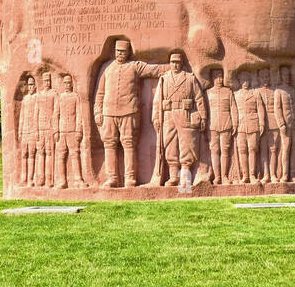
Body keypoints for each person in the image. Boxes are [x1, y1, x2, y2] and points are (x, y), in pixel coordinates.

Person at [93, 38, 168, 188]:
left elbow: (153, 70)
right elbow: (100, 93)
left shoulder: (134, 66)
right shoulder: (107, 69)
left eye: (123, 51)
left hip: (129, 111)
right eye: (118, 51)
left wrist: (171, 67)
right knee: (109, 145)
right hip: (109, 113)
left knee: (129, 145)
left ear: (128, 53)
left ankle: (130, 178)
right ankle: (112, 178)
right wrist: (97, 111)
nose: (120, 54)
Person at [152, 51, 206, 188]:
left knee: (186, 146)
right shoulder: (164, 79)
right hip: (168, 115)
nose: (175, 65)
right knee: (170, 145)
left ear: (182, 63)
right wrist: (156, 118)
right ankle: (173, 177)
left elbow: (199, 98)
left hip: (185, 114)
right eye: (172, 62)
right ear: (169, 63)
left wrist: (203, 116)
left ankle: (185, 179)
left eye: (177, 62)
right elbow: (157, 101)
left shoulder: (189, 78)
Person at [205, 69, 238, 186]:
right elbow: (206, 111)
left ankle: (224, 176)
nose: (219, 80)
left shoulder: (228, 92)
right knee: (214, 151)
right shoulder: (208, 93)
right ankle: (217, 176)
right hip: (212, 125)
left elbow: (233, 108)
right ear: (212, 78)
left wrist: (235, 123)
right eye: (216, 77)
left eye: (221, 77)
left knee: (225, 151)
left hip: (226, 124)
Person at [54, 73, 86, 189]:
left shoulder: (75, 97)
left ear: (72, 84)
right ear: (63, 84)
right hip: (62, 131)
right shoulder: (60, 97)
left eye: (69, 83)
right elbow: (55, 115)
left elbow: (79, 114)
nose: (67, 85)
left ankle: (78, 179)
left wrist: (79, 130)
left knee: (75, 154)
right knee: (61, 156)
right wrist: (56, 131)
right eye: (65, 83)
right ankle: (62, 180)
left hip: (72, 130)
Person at [234, 71, 266, 185]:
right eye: (243, 80)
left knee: (252, 149)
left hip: (253, 124)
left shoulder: (255, 93)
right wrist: (234, 124)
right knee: (242, 150)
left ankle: (252, 175)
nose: (245, 83)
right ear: (240, 82)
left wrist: (262, 123)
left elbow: (260, 108)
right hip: (240, 125)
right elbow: (233, 110)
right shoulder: (236, 94)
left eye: (247, 80)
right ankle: (245, 175)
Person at [274, 65, 295, 183]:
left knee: (294, 150)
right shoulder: (278, 91)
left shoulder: (293, 90)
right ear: (281, 76)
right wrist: (281, 124)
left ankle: (293, 174)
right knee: (286, 149)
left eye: (288, 75)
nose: (287, 77)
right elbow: (277, 109)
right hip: (285, 125)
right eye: (284, 75)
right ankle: (285, 175)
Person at [17, 73, 39, 186]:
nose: (30, 87)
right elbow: (21, 116)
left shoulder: (37, 98)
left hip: (33, 130)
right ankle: (23, 178)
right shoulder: (25, 99)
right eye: (29, 85)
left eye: (32, 85)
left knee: (32, 154)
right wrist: (20, 131)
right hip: (25, 130)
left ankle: (31, 178)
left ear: (35, 86)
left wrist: (37, 131)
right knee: (24, 154)